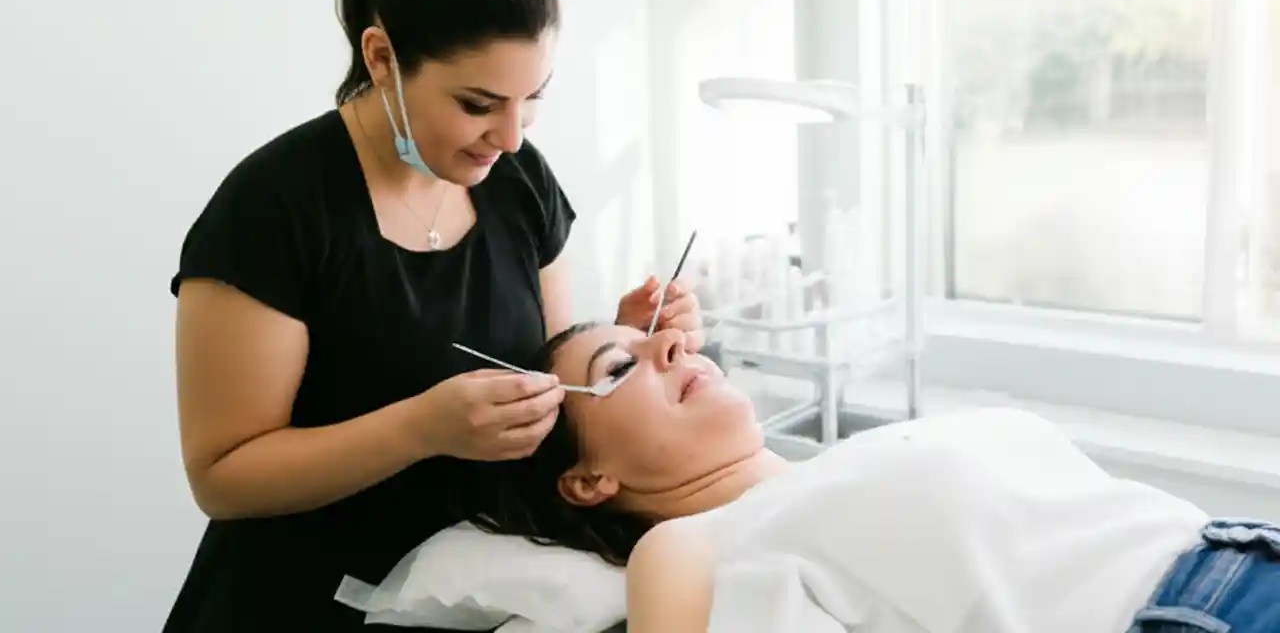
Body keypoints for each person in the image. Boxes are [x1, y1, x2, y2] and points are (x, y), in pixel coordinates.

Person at [164, 0, 705, 631]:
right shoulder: (274, 210)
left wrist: (623, 347)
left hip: (457, 602)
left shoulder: (519, 185)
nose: (510, 137)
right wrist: (420, 429)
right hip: (291, 605)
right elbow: (223, 477)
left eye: (532, 98)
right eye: (478, 105)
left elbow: (547, 385)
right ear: (382, 58)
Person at [463, 322, 1280, 633]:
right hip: (1192, 612)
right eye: (619, 366)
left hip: (1236, 548)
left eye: (653, 334)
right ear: (589, 480)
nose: (671, 344)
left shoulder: (831, 473)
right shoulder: (688, 546)